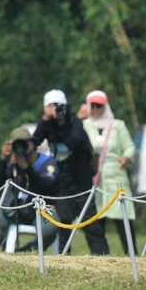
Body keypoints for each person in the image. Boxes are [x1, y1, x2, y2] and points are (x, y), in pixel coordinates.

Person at [28, 89, 95, 249]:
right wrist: (44, 120)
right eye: (51, 106)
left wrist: (63, 122)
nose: (56, 110)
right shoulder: (47, 124)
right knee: (64, 226)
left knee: (93, 227)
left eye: (59, 106)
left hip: (82, 183)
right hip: (63, 184)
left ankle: (103, 258)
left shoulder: (75, 122)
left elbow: (71, 143)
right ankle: (64, 260)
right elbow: (34, 141)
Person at [82, 90, 137, 256]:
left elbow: (130, 146)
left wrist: (126, 157)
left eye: (100, 105)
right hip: (94, 177)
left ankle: (132, 255)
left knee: (123, 215)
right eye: (93, 105)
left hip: (116, 176)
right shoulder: (84, 125)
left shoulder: (117, 125)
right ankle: (101, 255)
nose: (96, 108)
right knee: (97, 217)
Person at [0, 130, 56, 250]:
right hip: (15, 210)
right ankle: (9, 250)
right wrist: (2, 160)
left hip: (41, 210)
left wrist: (27, 168)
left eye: (24, 143)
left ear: (33, 144)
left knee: (48, 228)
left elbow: (47, 186)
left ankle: (30, 250)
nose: (21, 148)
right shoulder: (12, 164)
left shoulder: (46, 162)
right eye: (17, 144)